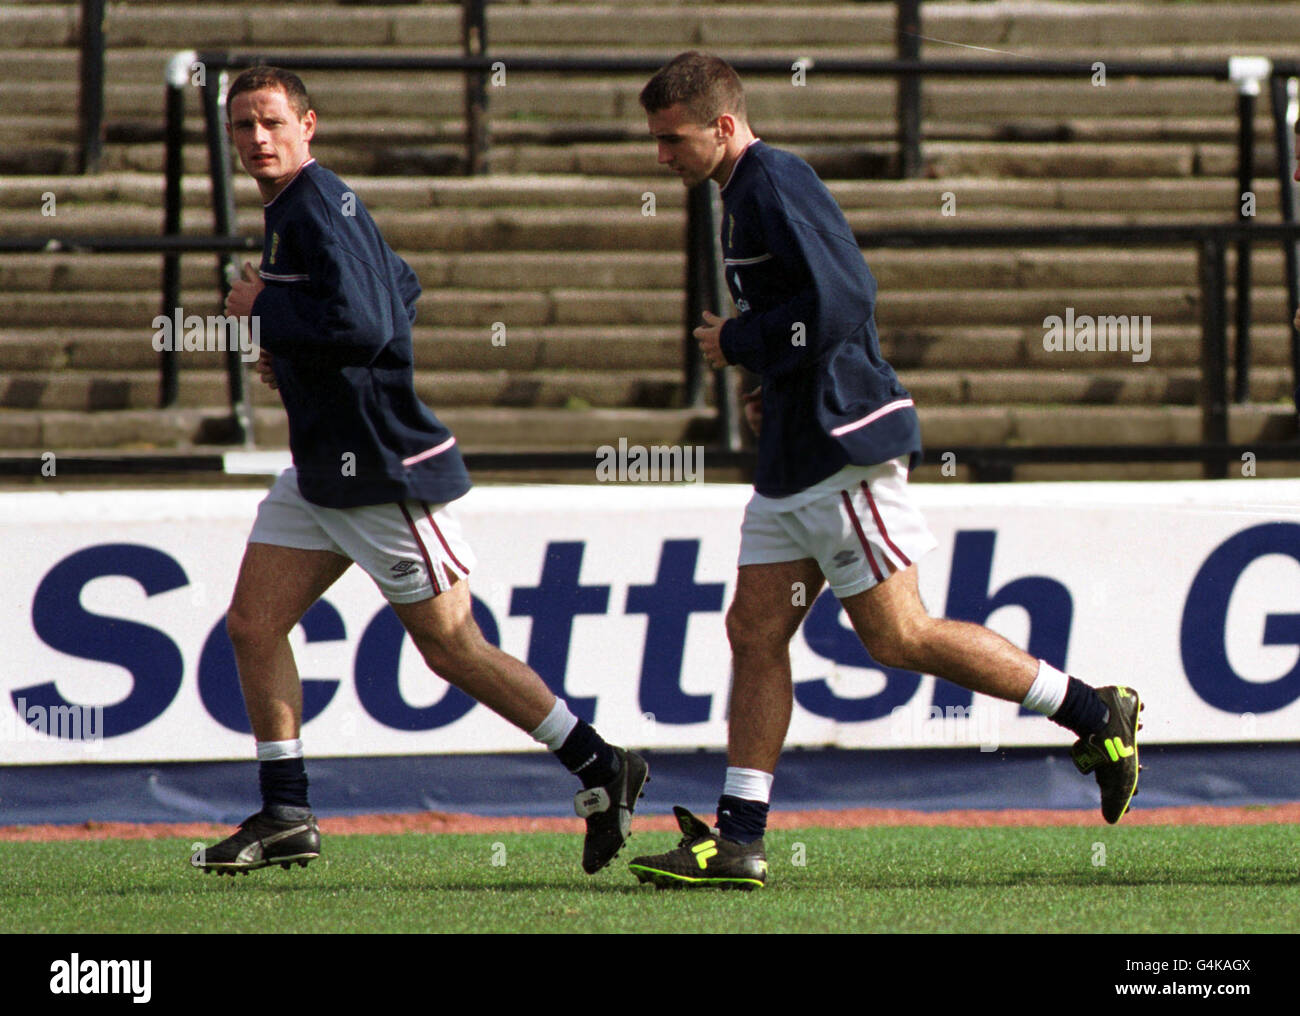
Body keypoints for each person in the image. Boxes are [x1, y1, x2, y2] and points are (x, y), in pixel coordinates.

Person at [627, 52, 1141, 891]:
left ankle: (1094, 710)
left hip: (842, 450)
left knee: (898, 636)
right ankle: (740, 837)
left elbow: (847, 299)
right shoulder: (741, 192)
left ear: (723, 125)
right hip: (794, 455)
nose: (661, 156)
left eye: (671, 138)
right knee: (754, 633)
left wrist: (744, 346)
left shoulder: (773, 179)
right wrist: (770, 385)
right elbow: (808, 317)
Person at [192, 66, 647, 876]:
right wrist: (294, 354)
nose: (257, 138)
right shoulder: (301, 207)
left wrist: (261, 311)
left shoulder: (314, 202)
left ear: (308, 125)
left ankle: (599, 763)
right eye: (241, 127)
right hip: (321, 472)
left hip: (380, 469)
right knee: (253, 626)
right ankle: (288, 810)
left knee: (451, 646)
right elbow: (402, 286)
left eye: (270, 122)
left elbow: (367, 321)